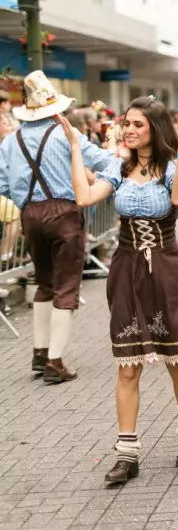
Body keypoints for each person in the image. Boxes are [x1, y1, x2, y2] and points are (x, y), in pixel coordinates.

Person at [64, 97, 178, 484]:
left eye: (137, 124)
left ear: (154, 129)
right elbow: (84, 198)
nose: (129, 129)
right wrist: (76, 150)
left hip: (167, 268)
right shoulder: (117, 167)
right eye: (127, 123)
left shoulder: (173, 167)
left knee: (177, 360)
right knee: (127, 365)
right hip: (126, 270)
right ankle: (127, 454)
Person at [0, 71, 114, 382]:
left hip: (30, 216)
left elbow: (1, 183)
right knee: (66, 287)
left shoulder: (12, 140)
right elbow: (105, 162)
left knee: (44, 283)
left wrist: (25, 199)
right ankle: (56, 362)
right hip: (64, 214)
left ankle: (39, 353)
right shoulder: (66, 133)